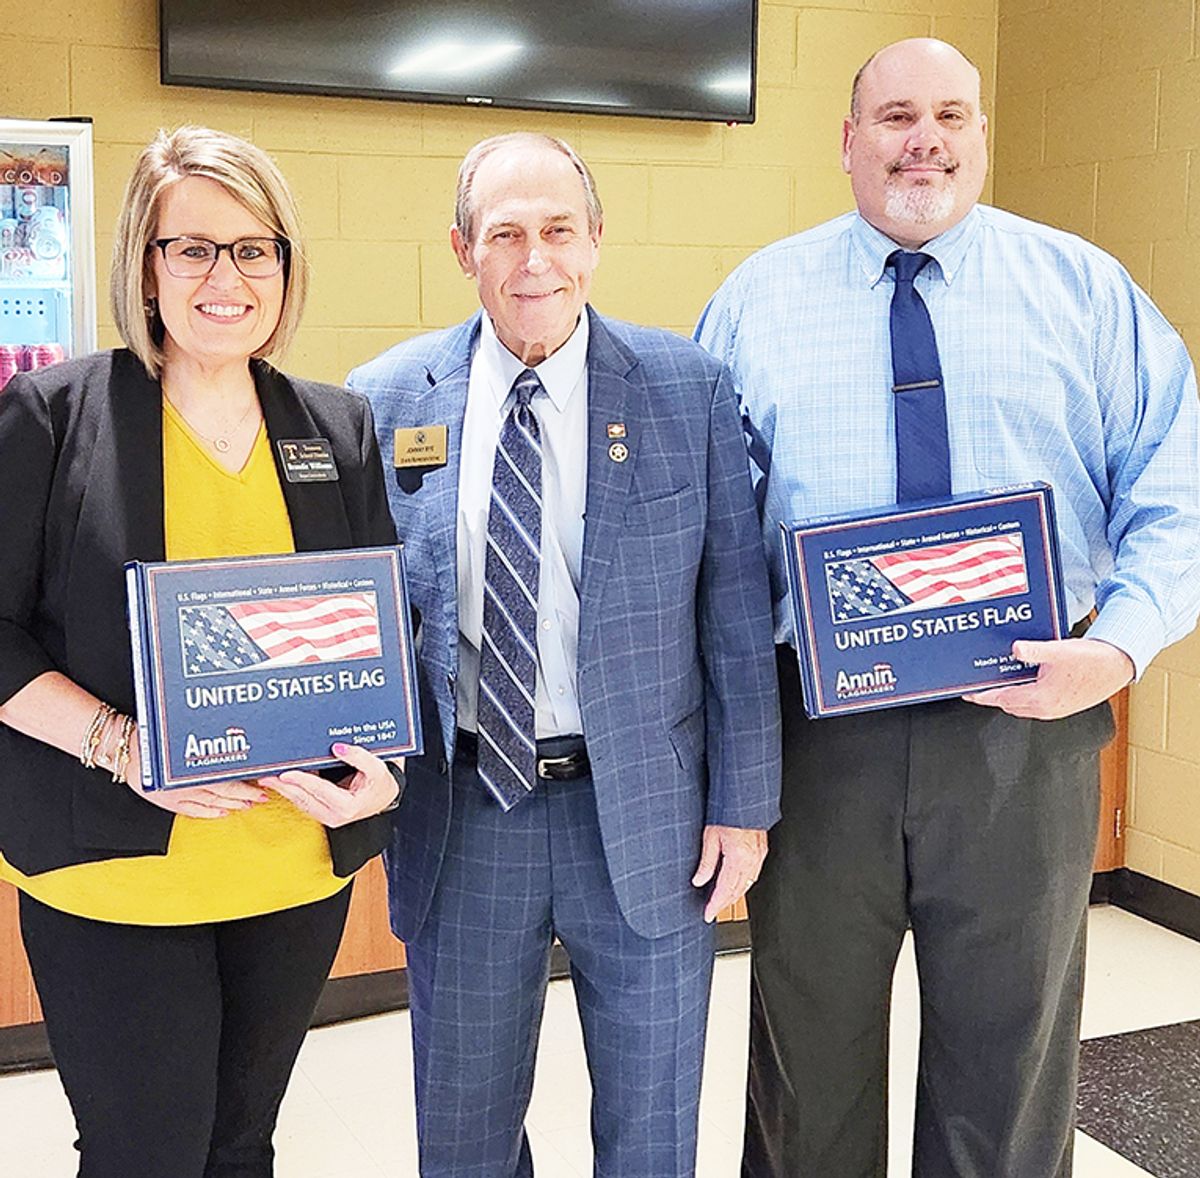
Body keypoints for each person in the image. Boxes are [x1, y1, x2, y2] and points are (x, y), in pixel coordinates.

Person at [696, 37, 1200, 1178]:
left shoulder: (1085, 291)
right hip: (818, 732)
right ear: (847, 141)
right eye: (895, 116)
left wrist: (1117, 648)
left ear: (980, 136)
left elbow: (1179, 484)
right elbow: (714, 535)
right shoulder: (755, 300)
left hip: (1029, 722)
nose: (924, 139)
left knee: (1010, 1051)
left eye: (952, 116)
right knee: (805, 1044)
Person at [348, 131, 781, 1177]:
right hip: (466, 817)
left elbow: (733, 601)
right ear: (463, 249)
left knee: (651, 1130)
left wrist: (747, 804)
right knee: (463, 1135)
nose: (533, 259)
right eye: (504, 234)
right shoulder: (386, 396)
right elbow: (361, 615)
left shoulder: (687, 387)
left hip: (645, 818)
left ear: (595, 240)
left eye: (556, 230)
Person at [0, 125, 404, 1178]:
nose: (227, 277)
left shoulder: (335, 426)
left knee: (240, 1146)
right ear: (147, 261)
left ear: (284, 264)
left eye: (253, 248)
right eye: (193, 248)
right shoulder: (54, 416)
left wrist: (380, 775)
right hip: (115, 876)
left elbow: (377, 633)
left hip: (290, 873)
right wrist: (119, 741)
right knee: (146, 1153)